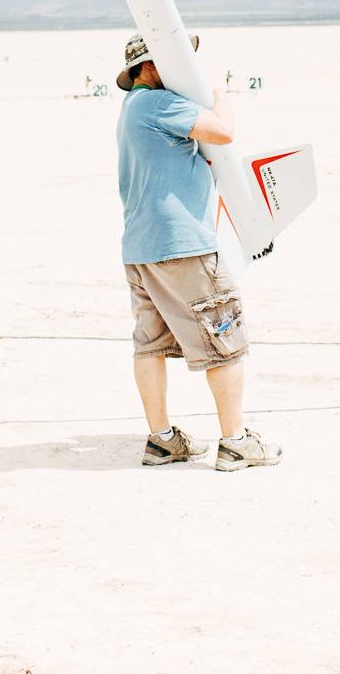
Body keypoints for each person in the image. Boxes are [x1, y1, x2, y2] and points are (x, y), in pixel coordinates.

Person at [114, 31, 281, 471]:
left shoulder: (132, 106)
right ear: (150, 66)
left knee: (150, 345)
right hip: (182, 245)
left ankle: (162, 440)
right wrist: (219, 94)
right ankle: (235, 442)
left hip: (141, 247)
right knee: (225, 338)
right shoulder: (157, 103)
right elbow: (222, 132)